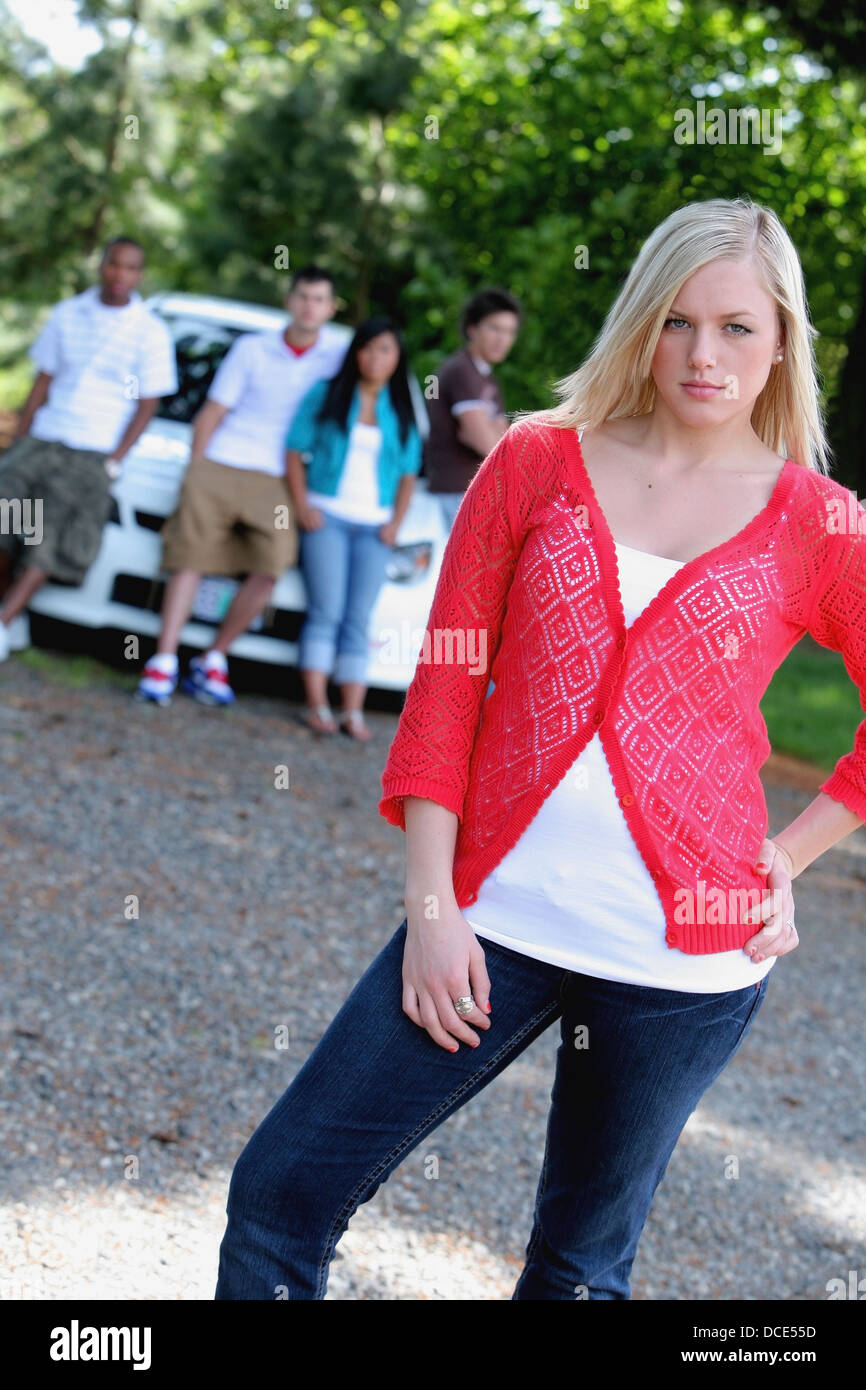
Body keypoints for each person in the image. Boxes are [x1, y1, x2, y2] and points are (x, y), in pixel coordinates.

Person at [213, 198, 866, 1300]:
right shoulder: (531, 458)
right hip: (488, 921)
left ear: (782, 340)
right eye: (675, 320)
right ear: (637, 322)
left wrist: (790, 855)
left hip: (685, 958)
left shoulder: (822, 520)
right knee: (279, 1197)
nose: (701, 353)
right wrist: (431, 903)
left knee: (575, 1271)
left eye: (736, 327)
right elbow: (447, 684)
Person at [135, 265, 348, 706]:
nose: (309, 306)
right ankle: (164, 659)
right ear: (290, 301)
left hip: (277, 476)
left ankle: (214, 657)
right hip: (223, 460)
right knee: (188, 554)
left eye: (319, 299)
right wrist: (196, 468)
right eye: (302, 296)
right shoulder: (253, 348)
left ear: (330, 308)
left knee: (272, 563)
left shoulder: (337, 358)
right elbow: (213, 412)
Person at [0, 237, 177, 661]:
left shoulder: (148, 333)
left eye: (131, 268)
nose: (120, 275)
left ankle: (5, 621)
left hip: (94, 448)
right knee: (10, 514)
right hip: (46, 435)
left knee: (54, 527)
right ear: (102, 265)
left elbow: (146, 403)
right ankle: (9, 613)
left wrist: (115, 459)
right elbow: (43, 380)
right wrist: (20, 439)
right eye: (114, 265)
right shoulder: (68, 313)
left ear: (139, 275)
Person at [284, 316, 423, 739]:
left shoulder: (399, 410)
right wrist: (303, 503)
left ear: (397, 358)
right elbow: (293, 448)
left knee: (357, 617)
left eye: (385, 349)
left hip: (374, 528)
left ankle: (352, 711)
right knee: (325, 611)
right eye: (368, 348)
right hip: (328, 518)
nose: (375, 357)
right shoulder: (327, 394)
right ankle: (317, 705)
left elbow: (408, 472)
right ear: (355, 353)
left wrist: (396, 523)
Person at [423, 287, 521, 532]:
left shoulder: (485, 377)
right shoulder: (462, 371)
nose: (502, 339)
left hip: (470, 494)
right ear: (472, 329)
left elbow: (503, 439)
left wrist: (493, 432)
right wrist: (490, 432)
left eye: (509, 331)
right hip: (456, 494)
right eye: (494, 328)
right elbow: (484, 441)